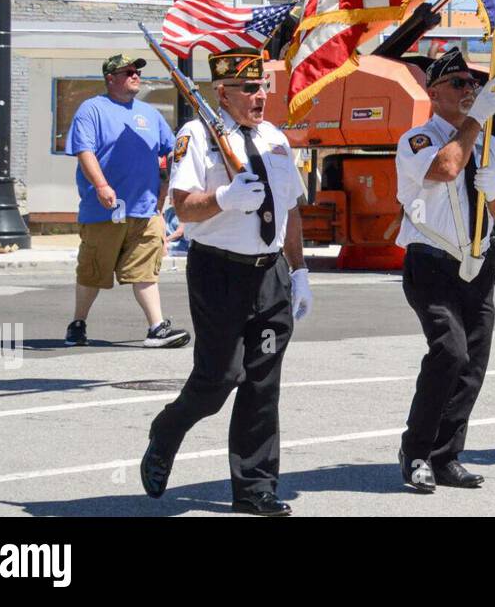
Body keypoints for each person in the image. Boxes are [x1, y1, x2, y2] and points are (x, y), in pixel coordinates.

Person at [141, 47, 313, 516]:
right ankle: (168, 430)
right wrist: (223, 196)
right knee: (219, 379)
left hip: (270, 274)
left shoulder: (276, 138)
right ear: (223, 93)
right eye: (249, 89)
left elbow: (292, 209)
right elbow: (182, 206)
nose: (260, 96)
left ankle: (255, 487)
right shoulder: (196, 135)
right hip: (219, 271)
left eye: (263, 87)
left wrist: (298, 271)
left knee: (263, 382)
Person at [394, 49, 495, 493]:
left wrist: (493, 192)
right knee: (450, 352)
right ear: (433, 93)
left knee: (472, 366)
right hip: (432, 261)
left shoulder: (491, 145)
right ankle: (416, 451)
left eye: (472, 84)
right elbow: (446, 168)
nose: (470, 90)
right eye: (459, 84)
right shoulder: (418, 139)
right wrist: (474, 124)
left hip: (479, 262)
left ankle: (447, 456)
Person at [64, 54, 188, 349]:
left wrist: (170, 191)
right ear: (110, 78)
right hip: (104, 209)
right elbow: (84, 151)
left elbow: (172, 153)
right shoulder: (92, 109)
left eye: (137, 72)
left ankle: (156, 328)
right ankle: (78, 323)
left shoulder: (150, 114)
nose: (136, 75)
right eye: (129, 72)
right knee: (93, 272)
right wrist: (102, 185)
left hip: (145, 211)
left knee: (146, 271)